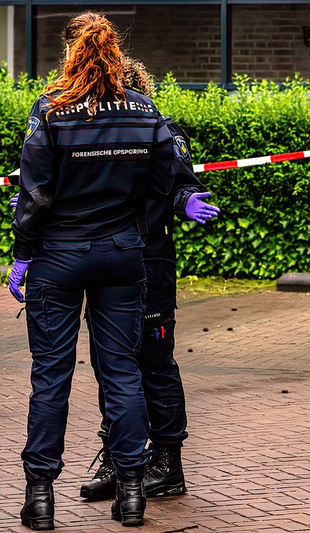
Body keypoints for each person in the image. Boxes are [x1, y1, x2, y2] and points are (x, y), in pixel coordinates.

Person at [8, 12, 195, 529]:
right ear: (116, 53)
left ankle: (40, 499)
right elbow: (164, 182)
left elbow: (35, 191)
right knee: (121, 372)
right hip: (121, 254)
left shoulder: (51, 109)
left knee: (51, 377)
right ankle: (132, 493)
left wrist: (23, 254)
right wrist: (135, 223)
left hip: (59, 255)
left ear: (72, 52)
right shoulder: (144, 110)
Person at [78, 56, 219, 505]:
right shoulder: (99, 129)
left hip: (149, 262)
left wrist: (187, 200)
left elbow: (179, 181)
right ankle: (122, 460)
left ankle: (167, 463)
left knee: (155, 365)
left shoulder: (162, 129)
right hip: (106, 261)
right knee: (110, 365)